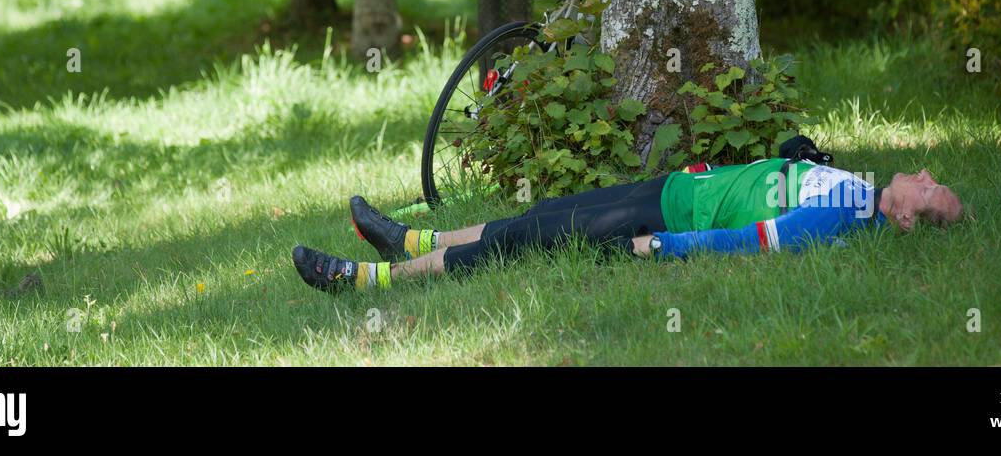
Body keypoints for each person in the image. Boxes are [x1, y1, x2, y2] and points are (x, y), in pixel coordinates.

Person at [291, 158, 964, 292]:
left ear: (906, 216)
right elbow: (764, 175)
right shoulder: (855, 186)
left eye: (930, 192)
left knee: (523, 244)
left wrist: (660, 247)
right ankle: (406, 238)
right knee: (540, 217)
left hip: (665, 216)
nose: (926, 177)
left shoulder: (839, 217)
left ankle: (369, 280)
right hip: (676, 187)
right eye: (932, 180)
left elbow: (752, 241)